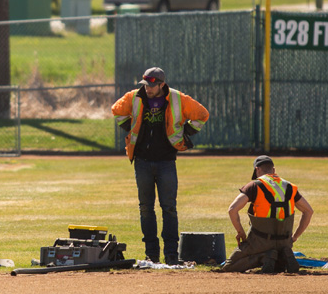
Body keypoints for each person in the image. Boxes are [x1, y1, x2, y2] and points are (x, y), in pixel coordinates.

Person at [111, 66, 209, 265]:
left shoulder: (176, 98)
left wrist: (186, 132)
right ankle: (151, 254)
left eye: (152, 85)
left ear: (162, 84)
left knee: (169, 208)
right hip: (142, 161)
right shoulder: (134, 96)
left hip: (166, 161)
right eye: (146, 84)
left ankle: (172, 255)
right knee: (146, 208)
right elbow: (117, 111)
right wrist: (130, 128)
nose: (148, 88)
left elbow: (202, 114)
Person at [222, 155, 314, 273]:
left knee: (229, 267)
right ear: (274, 170)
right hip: (284, 242)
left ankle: (264, 257)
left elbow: (232, 209)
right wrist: (294, 237)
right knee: (276, 264)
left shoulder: (254, 185)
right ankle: (283, 257)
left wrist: (241, 232)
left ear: (257, 170)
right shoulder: (290, 187)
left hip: (260, 241)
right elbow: (308, 211)